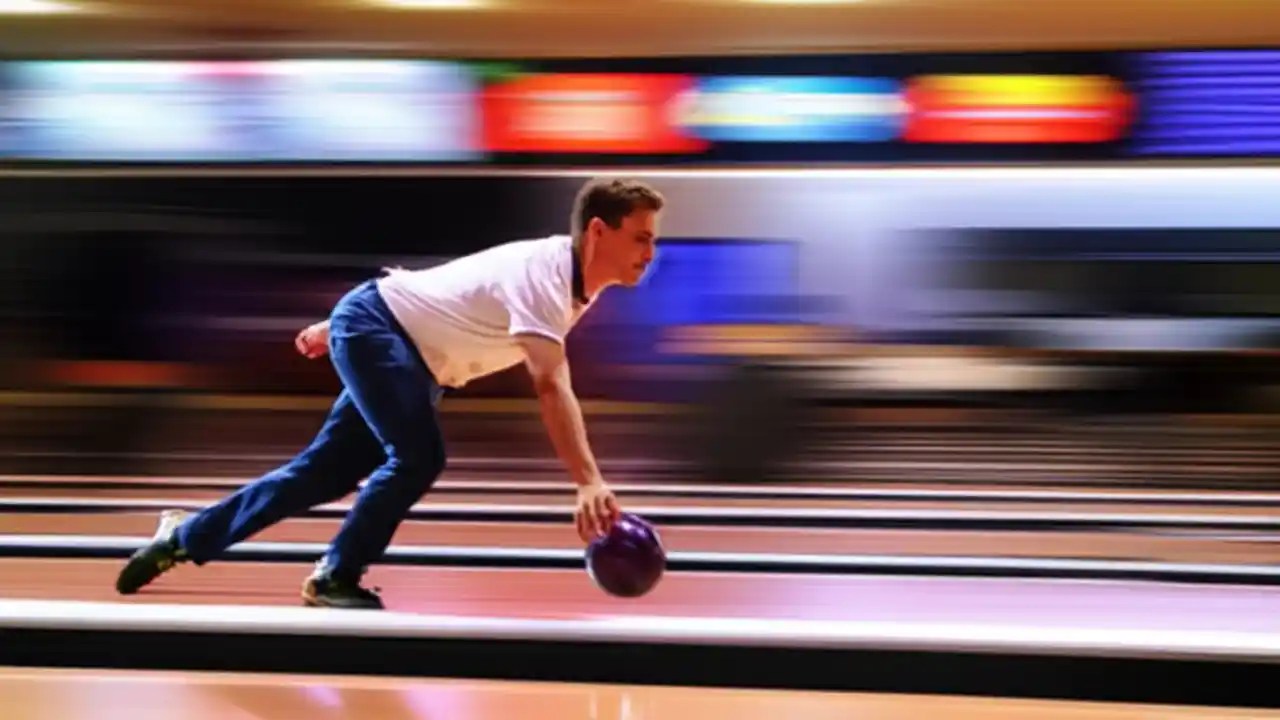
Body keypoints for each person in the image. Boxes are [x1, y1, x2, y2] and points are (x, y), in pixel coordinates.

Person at [114, 177, 666, 610]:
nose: (650, 250)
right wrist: (587, 480)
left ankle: (185, 536)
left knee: (324, 473)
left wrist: (333, 325)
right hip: (383, 333)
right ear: (598, 232)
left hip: (394, 342)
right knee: (418, 456)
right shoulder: (545, 277)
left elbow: (441, 288)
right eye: (640, 236)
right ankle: (336, 575)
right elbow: (550, 383)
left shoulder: (574, 285)